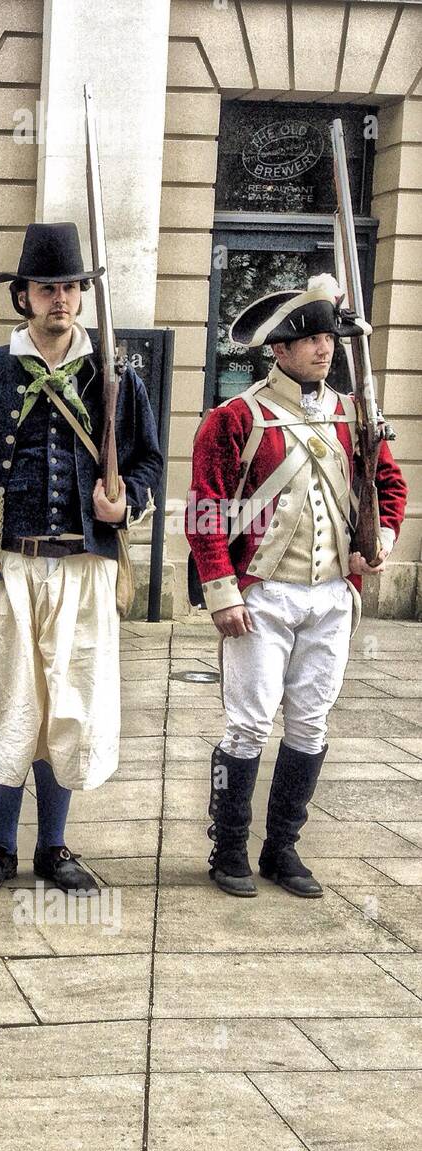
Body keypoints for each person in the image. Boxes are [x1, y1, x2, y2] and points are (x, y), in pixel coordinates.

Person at [0, 223, 163, 896]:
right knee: (9, 704)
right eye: (47, 288)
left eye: (70, 288)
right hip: (5, 566)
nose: (60, 299)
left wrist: (128, 502)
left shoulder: (114, 376)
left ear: (83, 296)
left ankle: (54, 847)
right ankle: (0, 848)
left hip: (85, 568)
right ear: (23, 297)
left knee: (71, 705)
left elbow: (147, 459)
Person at [186, 274, 406, 897]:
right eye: (308, 338)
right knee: (246, 728)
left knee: (310, 725)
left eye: (327, 336)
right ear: (277, 350)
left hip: (333, 595)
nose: (323, 347)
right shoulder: (235, 418)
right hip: (261, 595)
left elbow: (389, 487)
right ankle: (228, 848)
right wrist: (221, 590)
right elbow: (207, 508)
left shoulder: (354, 414)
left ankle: (283, 848)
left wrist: (383, 535)